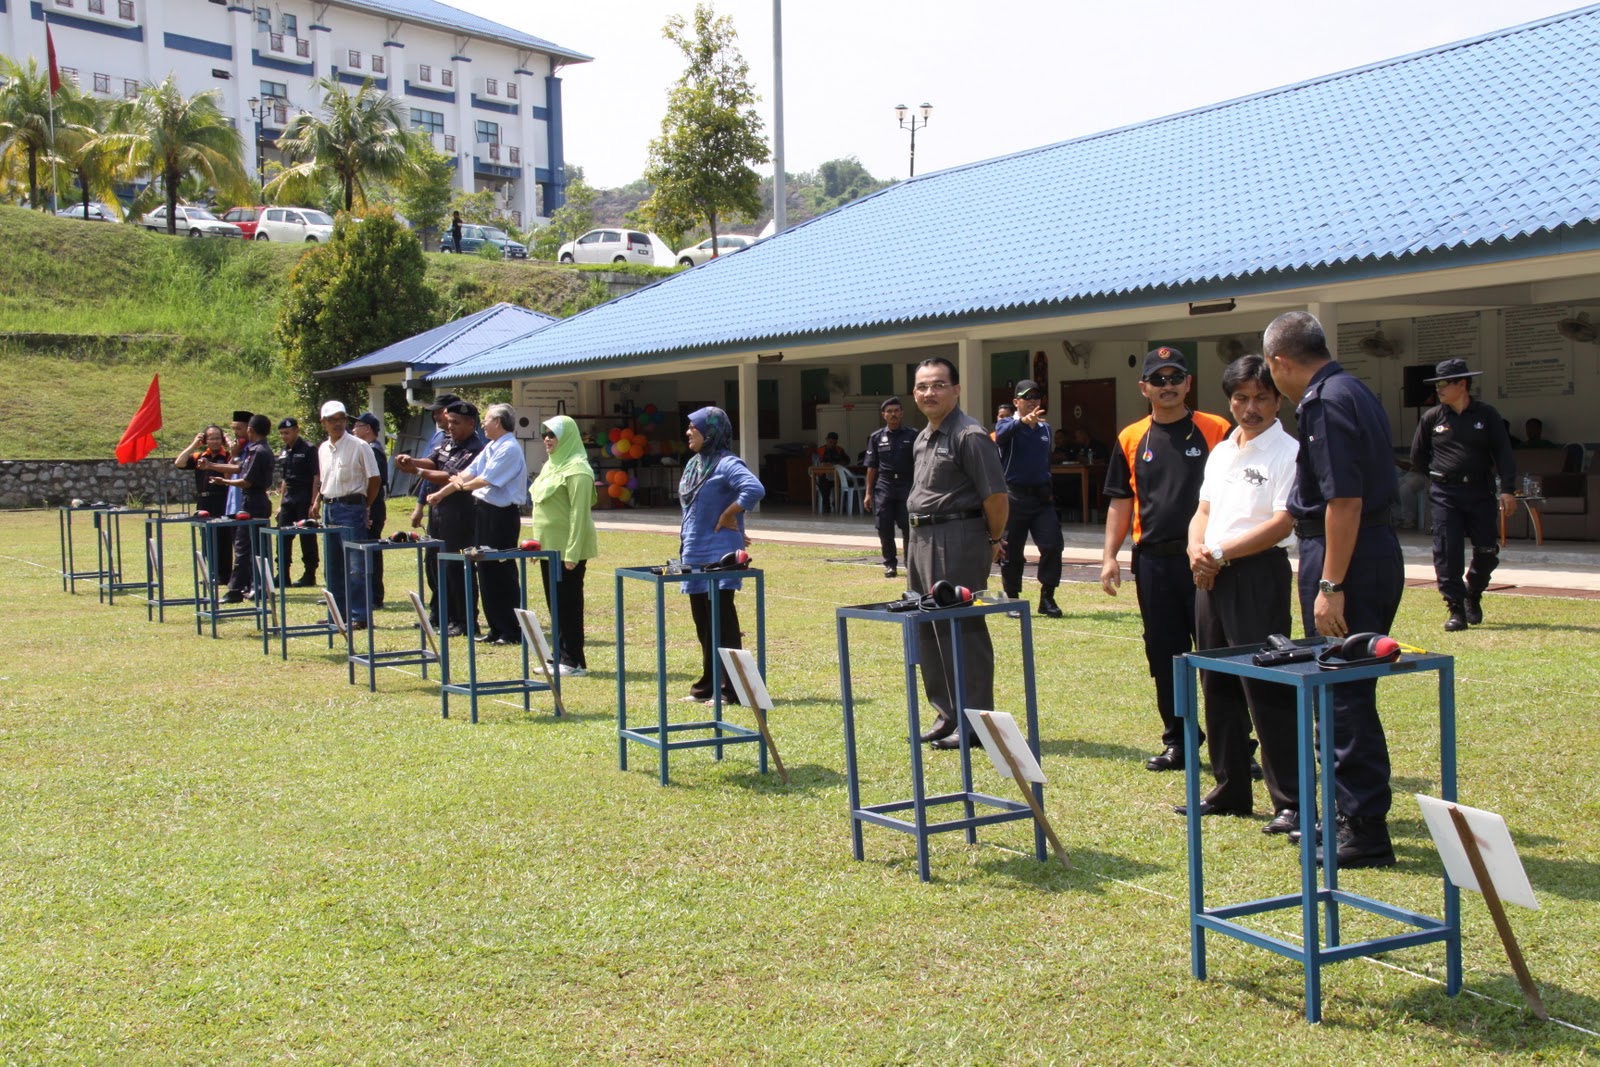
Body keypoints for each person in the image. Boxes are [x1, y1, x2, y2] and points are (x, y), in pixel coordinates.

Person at [1265, 310, 1402, 869]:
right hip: (1362, 549)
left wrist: (1331, 584)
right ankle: (1349, 813)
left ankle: (1363, 828)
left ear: (1279, 363)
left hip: (1346, 553)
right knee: (1340, 693)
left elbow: (1344, 500)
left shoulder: (1324, 401)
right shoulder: (1354, 389)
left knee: (1341, 694)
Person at [1181, 355, 1300, 833]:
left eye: (1261, 398)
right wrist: (1196, 549)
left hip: (1256, 573)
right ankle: (1230, 788)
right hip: (1211, 573)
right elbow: (1203, 510)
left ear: (1277, 401)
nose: (1250, 408)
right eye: (1241, 398)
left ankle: (1289, 800)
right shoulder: (1223, 450)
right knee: (1216, 683)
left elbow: (1281, 522)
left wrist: (1220, 553)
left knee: (1265, 686)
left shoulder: (1288, 451)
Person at [1100, 347, 1231, 772]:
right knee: (1164, 654)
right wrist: (1109, 556)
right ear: (1144, 388)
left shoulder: (1217, 430)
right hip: (1154, 562)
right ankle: (1179, 740)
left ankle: (1234, 746)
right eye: (1159, 379)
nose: (1168, 386)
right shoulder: (1131, 437)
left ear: (1189, 383)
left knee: (1218, 653)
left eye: (1176, 378)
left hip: (1208, 562)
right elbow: (1121, 501)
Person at [905, 357, 1008, 751]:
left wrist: (991, 540)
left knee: (962, 630)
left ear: (957, 389)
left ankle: (976, 722)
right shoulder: (923, 437)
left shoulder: (969, 435)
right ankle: (947, 713)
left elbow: (996, 497)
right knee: (927, 628)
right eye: (922, 386)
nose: (928, 393)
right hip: (921, 540)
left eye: (938, 385)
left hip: (958, 538)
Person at [1410, 358, 1517, 631]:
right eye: (1437, 385)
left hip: (1480, 491)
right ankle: (1456, 608)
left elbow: (1503, 453)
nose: (1439, 390)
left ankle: (1474, 593)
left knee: (1486, 550)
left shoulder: (1487, 415)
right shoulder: (1432, 417)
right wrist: (1439, 476)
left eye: (1445, 384)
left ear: (1463, 384)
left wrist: (1507, 490)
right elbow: (1418, 456)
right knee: (1447, 551)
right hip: (1445, 493)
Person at [679, 407, 765, 704]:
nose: (689, 432)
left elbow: (753, 488)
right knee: (703, 624)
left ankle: (733, 689)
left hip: (718, 556)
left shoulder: (727, 463)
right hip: (694, 552)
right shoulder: (695, 464)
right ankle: (709, 685)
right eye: (689, 427)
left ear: (711, 431)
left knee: (722, 623)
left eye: (694, 427)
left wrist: (731, 516)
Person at [428, 403, 528, 646]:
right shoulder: (492, 446)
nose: (483, 424)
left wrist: (460, 485)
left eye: (486, 419)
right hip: (483, 512)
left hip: (501, 515)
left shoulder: (509, 448)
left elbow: (485, 480)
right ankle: (496, 628)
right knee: (484, 569)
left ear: (498, 422)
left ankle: (511, 630)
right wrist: (444, 492)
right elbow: (468, 472)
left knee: (501, 570)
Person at [396, 401, 484, 637]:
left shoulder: (474, 449)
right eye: (449, 422)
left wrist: (417, 471)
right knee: (435, 566)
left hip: (459, 515)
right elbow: (433, 460)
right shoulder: (448, 442)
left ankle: (465, 621)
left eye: (456, 423)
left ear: (470, 423)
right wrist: (412, 461)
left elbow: (450, 477)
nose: (451, 426)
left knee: (457, 567)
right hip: (439, 513)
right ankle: (444, 615)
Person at [530, 414, 599, 675]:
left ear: (567, 437)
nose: (547, 439)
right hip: (549, 549)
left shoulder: (578, 469)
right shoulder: (552, 465)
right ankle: (559, 656)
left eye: (553, 434)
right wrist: (537, 545)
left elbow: (579, 515)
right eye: (545, 433)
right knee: (554, 604)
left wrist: (572, 552)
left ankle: (574, 661)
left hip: (568, 550)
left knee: (568, 603)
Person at [308, 400, 381, 632]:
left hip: (352, 506)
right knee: (333, 565)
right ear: (323, 423)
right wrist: (318, 500)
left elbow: (374, 480)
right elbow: (325, 479)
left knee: (356, 565)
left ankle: (360, 615)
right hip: (330, 507)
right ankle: (336, 613)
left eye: (341, 418)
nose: (337, 423)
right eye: (332, 419)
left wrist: (364, 505)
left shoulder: (360, 446)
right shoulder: (322, 448)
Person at [994, 379, 1065, 618]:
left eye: (1036, 397)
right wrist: (1021, 422)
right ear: (1016, 402)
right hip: (1014, 497)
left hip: (1041, 498)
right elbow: (1000, 435)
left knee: (1053, 546)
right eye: (1027, 397)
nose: (1033, 401)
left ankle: (1047, 598)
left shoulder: (1045, 429)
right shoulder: (1007, 424)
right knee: (1013, 551)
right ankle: (1012, 599)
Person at [211, 414, 275, 604]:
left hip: (253, 502)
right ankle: (255, 587)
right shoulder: (258, 450)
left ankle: (237, 589)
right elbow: (239, 468)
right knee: (253, 547)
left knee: (244, 547)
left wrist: (223, 481)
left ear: (250, 430)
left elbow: (247, 481)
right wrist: (211, 466)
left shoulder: (258, 451)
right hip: (255, 501)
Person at [176, 425, 233, 587]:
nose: (214, 441)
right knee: (207, 539)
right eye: (211, 438)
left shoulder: (227, 456)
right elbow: (179, 462)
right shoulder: (199, 456)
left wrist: (230, 444)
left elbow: (235, 464)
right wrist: (194, 444)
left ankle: (225, 575)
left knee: (223, 539)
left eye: (217, 438)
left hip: (221, 500)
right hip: (204, 501)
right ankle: (212, 573)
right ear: (205, 440)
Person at [864, 397, 915, 579]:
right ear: (883, 415)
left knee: (908, 527)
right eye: (889, 411)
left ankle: (911, 565)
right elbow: (872, 467)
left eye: (896, 411)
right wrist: (868, 493)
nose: (893, 414)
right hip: (884, 485)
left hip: (907, 485)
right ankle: (890, 565)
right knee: (884, 527)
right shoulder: (877, 437)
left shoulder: (913, 435)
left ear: (902, 413)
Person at [275, 417, 320, 587]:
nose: (284, 436)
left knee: (306, 536)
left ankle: (309, 574)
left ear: (296, 430)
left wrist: (313, 502)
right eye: (281, 434)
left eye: (287, 432)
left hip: (304, 497)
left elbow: (316, 476)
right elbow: (285, 479)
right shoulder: (285, 451)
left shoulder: (308, 449)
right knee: (283, 536)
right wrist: (280, 503)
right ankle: (283, 574)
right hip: (289, 499)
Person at [351, 412, 390, 607]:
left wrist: (366, 507)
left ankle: (374, 597)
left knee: (371, 551)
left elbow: (375, 480)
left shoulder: (372, 450)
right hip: (369, 505)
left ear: (367, 428)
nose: (353, 430)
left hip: (372, 506)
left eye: (357, 425)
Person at [813, 431, 851, 514]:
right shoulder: (820, 450)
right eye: (830, 442)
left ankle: (841, 505)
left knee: (846, 485)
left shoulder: (839, 450)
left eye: (834, 443)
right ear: (827, 440)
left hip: (838, 476)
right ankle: (826, 506)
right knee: (823, 485)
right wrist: (823, 464)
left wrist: (840, 464)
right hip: (824, 476)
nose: (832, 444)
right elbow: (816, 462)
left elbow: (847, 460)